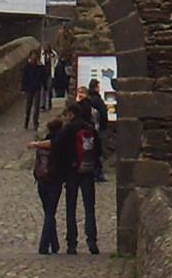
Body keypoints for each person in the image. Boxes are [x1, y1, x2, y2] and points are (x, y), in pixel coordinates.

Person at [61, 103, 100, 254]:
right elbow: (99, 149)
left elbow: (60, 149)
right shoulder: (89, 127)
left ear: (71, 114)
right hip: (87, 170)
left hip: (72, 171)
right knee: (89, 207)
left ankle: (72, 243)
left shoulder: (68, 129)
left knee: (71, 207)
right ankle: (92, 242)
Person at [25, 118, 65, 255]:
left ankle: (54, 244)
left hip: (42, 181)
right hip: (54, 180)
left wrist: (35, 144)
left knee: (48, 212)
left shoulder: (43, 144)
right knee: (50, 213)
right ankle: (43, 246)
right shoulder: (59, 142)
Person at [86, 79, 109, 183]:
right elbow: (103, 114)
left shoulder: (89, 99)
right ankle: (97, 173)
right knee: (98, 151)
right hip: (99, 128)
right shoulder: (97, 100)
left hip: (93, 128)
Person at [21, 51, 46, 129]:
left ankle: (35, 123)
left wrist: (44, 86)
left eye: (35, 56)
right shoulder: (27, 67)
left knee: (36, 107)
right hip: (29, 89)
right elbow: (24, 78)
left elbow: (43, 77)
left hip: (37, 88)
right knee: (28, 106)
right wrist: (23, 88)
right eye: (33, 56)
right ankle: (26, 121)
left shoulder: (39, 67)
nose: (34, 57)